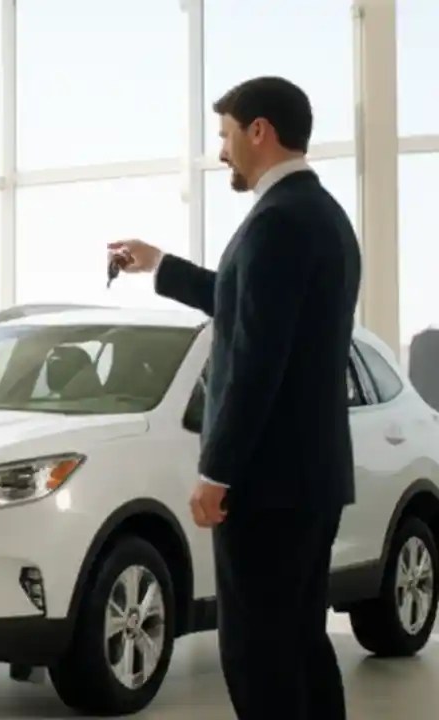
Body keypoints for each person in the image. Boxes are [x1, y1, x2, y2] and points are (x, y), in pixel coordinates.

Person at [109, 76, 359, 719]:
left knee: (258, 654)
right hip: (309, 478)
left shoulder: (278, 221)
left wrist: (216, 471)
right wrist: (160, 265)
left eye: (225, 134)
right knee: (299, 644)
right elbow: (247, 302)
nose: (221, 151)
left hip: (268, 486)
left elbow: (254, 359)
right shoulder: (319, 214)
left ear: (259, 131)